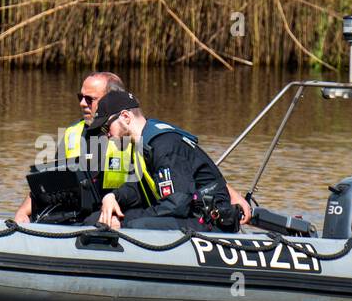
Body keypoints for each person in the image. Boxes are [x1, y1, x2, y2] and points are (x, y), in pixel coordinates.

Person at [90, 90, 243, 233]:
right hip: (183, 213)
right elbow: (140, 187)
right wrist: (113, 197)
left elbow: (177, 204)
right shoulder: (142, 143)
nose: (107, 134)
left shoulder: (164, 145)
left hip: (209, 221)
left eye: (106, 127)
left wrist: (124, 222)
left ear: (125, 117)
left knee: (133, 226)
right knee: (98, 218)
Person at [13, 71, 131, 223]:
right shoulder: (72, 133)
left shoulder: (132, 133)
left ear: (112, 101)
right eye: (80, 97)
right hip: (74, 215)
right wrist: (23, 211)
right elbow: (51, 181)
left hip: (116, 215)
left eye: (90, 99)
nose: (82, 103)